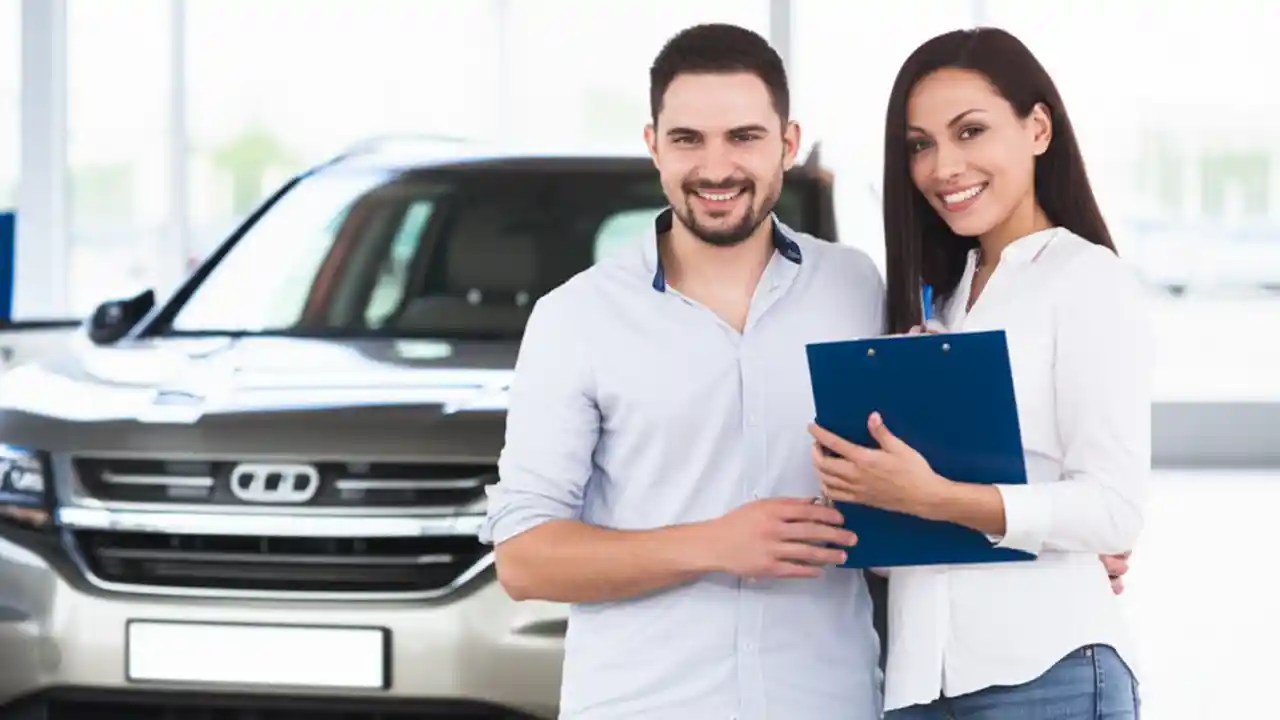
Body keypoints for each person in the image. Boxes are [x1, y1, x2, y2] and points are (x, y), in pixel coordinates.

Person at [478, 23, 886, 720]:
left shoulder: (856, 287)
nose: (716, 167)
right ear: (654, 146)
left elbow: (921, 479)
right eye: (689, 139)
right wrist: (716, 544)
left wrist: (1057, 546)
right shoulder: (575, 318)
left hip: (827, 701)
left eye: (744, 137)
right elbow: (524, 559)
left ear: (787, 144)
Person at [809, 27, 1150, 719]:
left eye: (970, 132)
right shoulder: (940, 305)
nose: (943, 167)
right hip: (917, 684)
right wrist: (860, 500)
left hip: (1047, 674)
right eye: (920, 145)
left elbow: (1115, 509)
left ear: (1038, 128)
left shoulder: (1085, 280)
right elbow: (911, 537)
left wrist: (937, 498)